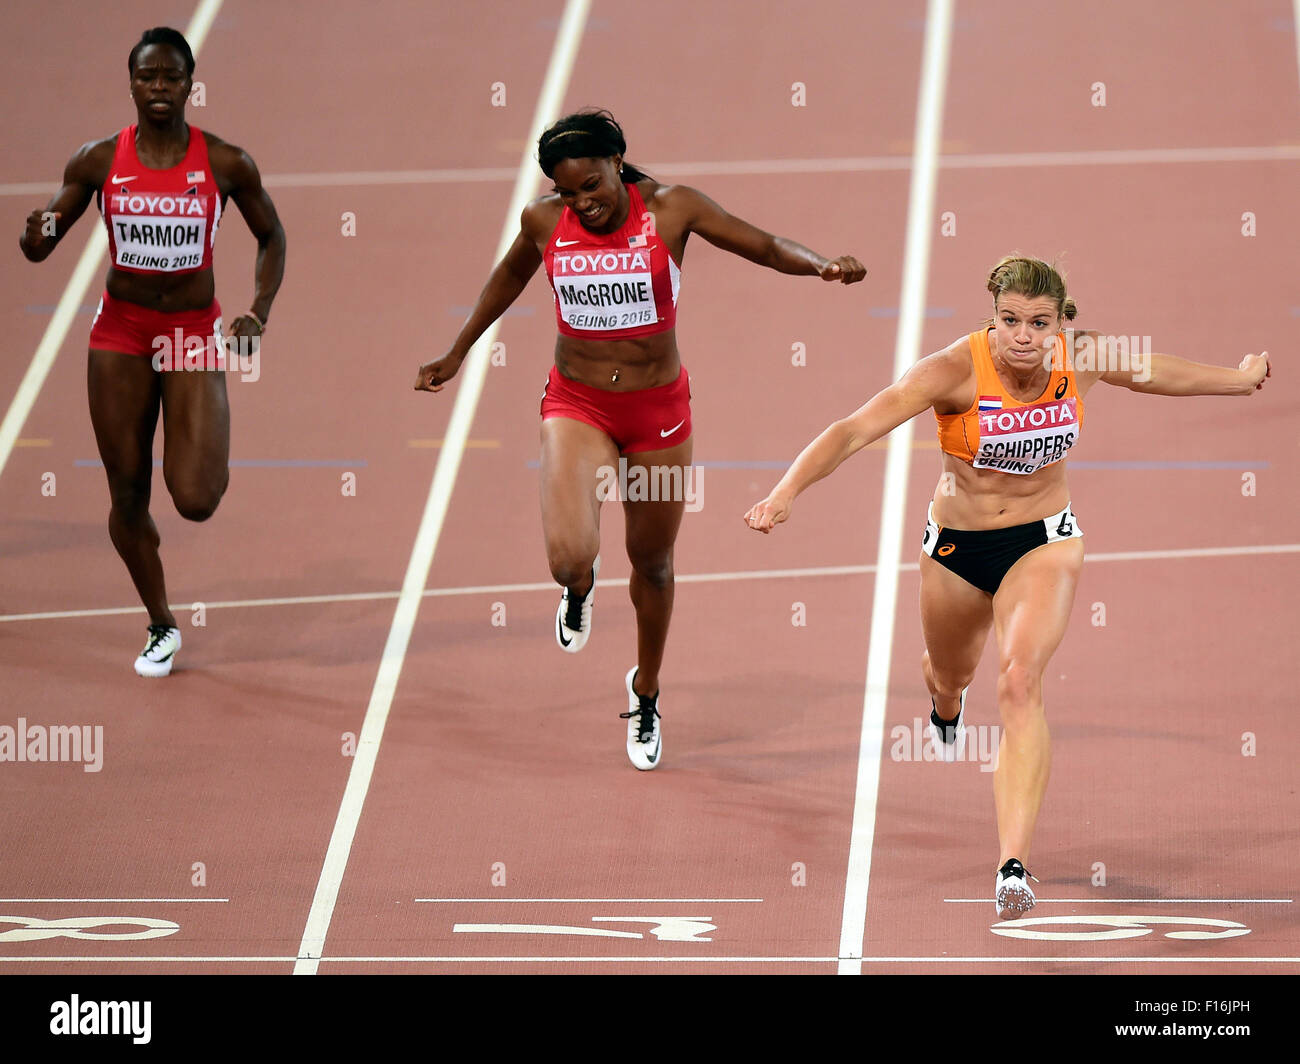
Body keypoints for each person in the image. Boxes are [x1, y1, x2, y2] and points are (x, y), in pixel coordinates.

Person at [743, 255, 1270, 916]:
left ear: (1062, 321)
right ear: (992, 318)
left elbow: (1156, 371)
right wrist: (784, 493)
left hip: (1043, 539)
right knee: (949, 672)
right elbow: (853, 428)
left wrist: (1240, 379)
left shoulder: (1083, 357)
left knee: (1019, 681)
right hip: (959, 550)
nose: (1024, 336)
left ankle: (1012, 867)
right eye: (1010, 321)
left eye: (1039, 322)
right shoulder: (953, 371)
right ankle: (943, 702)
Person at [416, 109, 865, 770]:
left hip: (658, 415)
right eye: (569, 193)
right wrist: (458, 352)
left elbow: (763, 244)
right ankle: (579, 586)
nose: (583, 203)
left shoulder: (672, 210)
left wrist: (822, 265)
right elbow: (510, 277)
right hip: (579, 403)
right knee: (570, 558)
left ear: (617, 164)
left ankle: (646, 690)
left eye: (592, 185)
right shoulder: (543, 223)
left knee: (652, 564)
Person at [19, 26, 286, 677]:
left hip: (192, 333)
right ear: (132, 84)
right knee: (127, 493)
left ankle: (203, 435)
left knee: (194, 496)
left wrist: (258, 311)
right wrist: (37, 231)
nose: (159, 88)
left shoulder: (225, 163)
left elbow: (271, 235)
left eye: (171, 77)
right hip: (122, 334)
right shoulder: (98, 160)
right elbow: (44, 238)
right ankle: (161, 622)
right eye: (148, 77)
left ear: (190, 83)